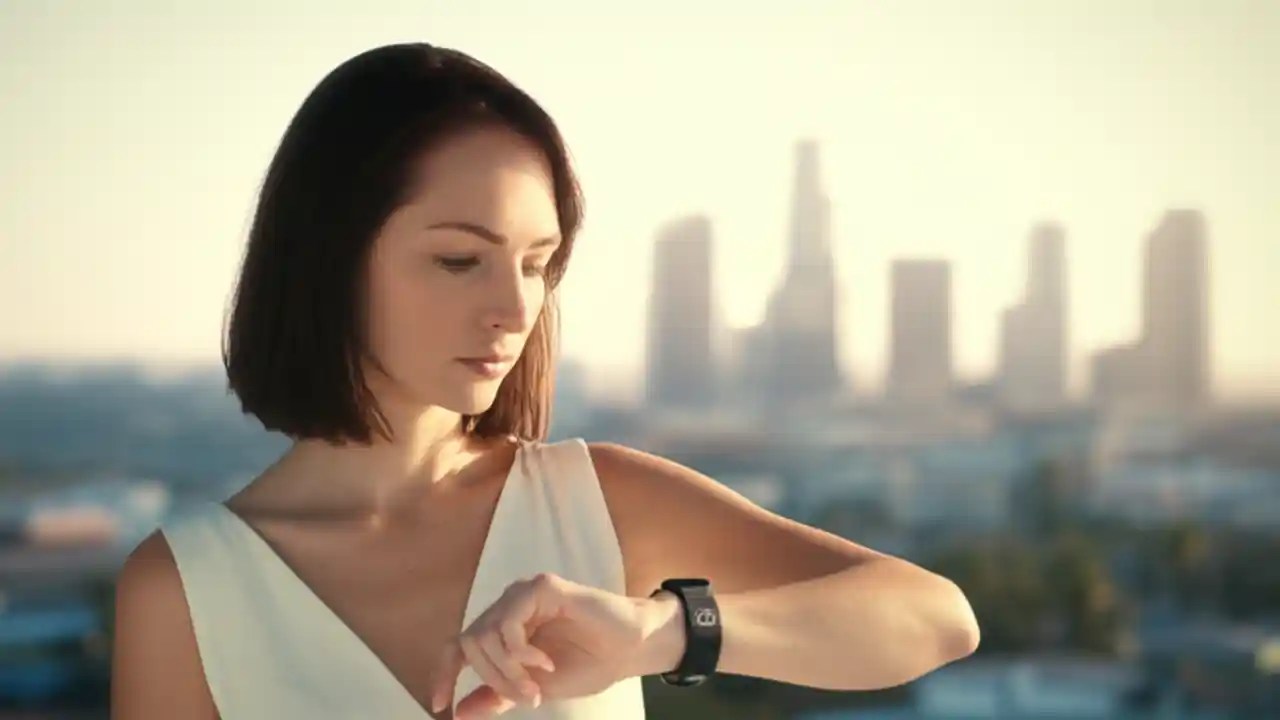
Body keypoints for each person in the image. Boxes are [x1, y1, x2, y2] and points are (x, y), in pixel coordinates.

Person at [110, 42, 980, 720]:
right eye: (460, 260)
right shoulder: (181, 592)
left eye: (537, 264)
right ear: (328, 260)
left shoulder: (595, 503)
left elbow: (934, 618)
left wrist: (663, 632)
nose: (513, 307)